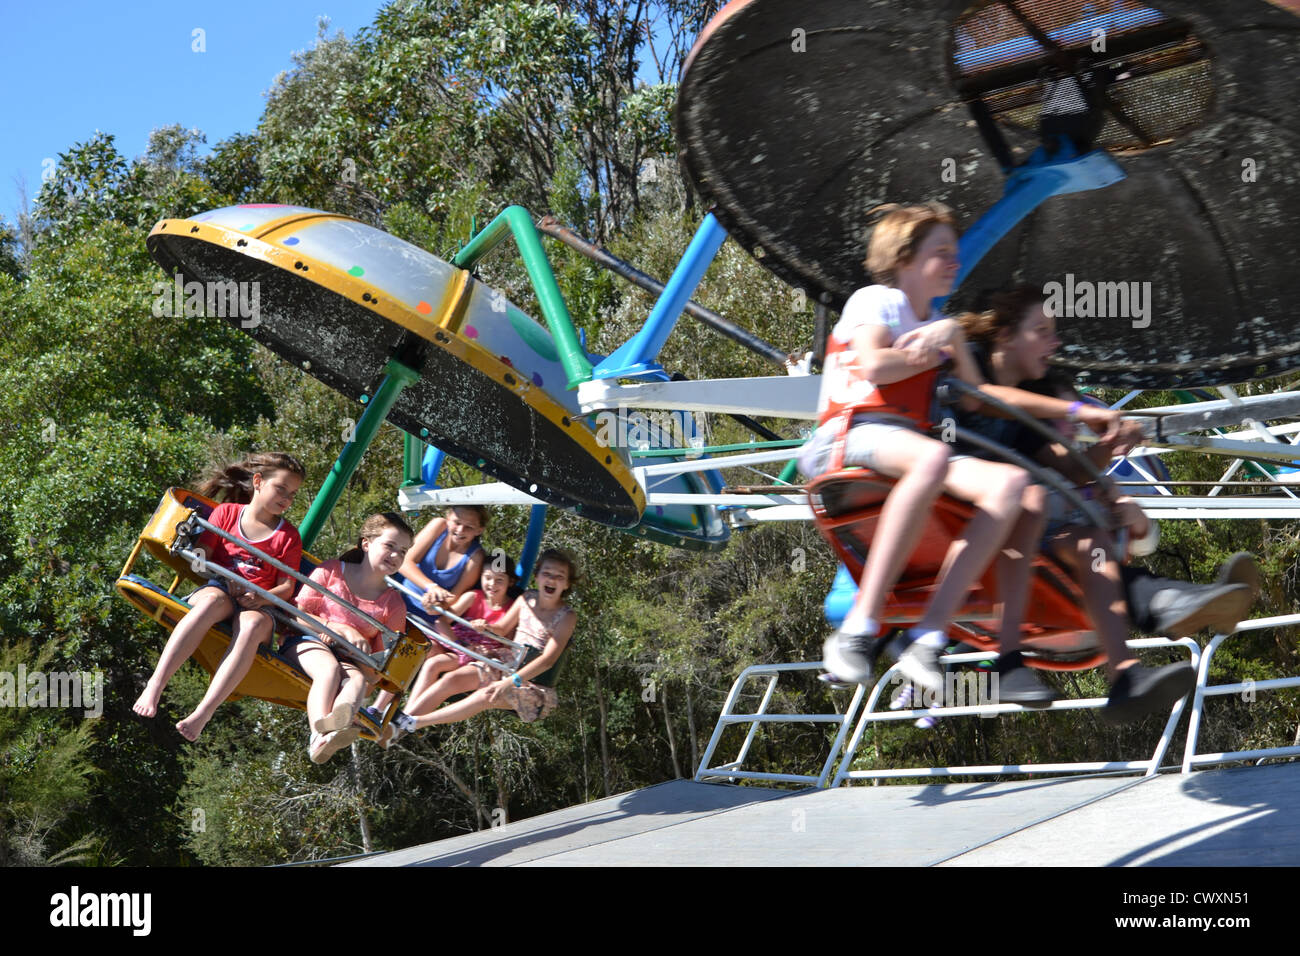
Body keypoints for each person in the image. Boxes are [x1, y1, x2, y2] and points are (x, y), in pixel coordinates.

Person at [798, 202, 1127, 694]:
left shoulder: (936, 320)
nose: (955, 261)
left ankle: (929, 635)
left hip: (902, 445)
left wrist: (1080, 412)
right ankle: (858, 628)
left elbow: (985, 398)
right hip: (850, 435)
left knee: (1011, 484)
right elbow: (875, 368)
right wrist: (933, 342)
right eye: (942, 252)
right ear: (905, 257)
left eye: (954, 252)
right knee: (931, 457)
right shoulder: (876, 301)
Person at [954, 286, 1255, 720]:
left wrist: (1110, 446)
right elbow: (979, 396)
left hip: (1034, 535)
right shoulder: (971, 365)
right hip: (977, 517)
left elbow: (1065, 466)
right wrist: (1080, 413)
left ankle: (1128, 671)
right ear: (1004, 336)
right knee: (1040, 501)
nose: (1054, 343)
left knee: (1091, 541)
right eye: (1042, 330)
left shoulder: (1028, 409)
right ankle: (1170, 604)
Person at [132, 452, 305, 741]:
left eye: (293, 495)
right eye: (281, 489)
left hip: (259, 605)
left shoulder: (288, 536)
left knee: (250, 625)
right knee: (212, 601)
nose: (286, 499)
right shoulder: (226, 514)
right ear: (259, 482)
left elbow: (286, 588)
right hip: (221, 589)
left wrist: (261, 598)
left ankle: (203, 712)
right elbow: (202, 559)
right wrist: (226, 577)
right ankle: (155, 685)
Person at [380, 549, 578, 745]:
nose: (552, 580)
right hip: (505, 664)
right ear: (537, 576)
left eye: (559, 577)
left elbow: (548, 660)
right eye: (547, 574)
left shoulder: (566, 616)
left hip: (531, 682)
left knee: (487, 695)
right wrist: (486, 627)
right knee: (452, 679)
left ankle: (413, 722)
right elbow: (502, 627)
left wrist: (511, 681)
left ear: (567, 584)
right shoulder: (526, 599)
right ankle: (397, 724)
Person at [284, 513, 412, 763]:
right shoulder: (331, 571)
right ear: (366, 544)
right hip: (307, 641)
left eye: (403, 551)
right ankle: (318, 735)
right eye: (389, 546)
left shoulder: (393, 604)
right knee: (329, 671)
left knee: (355, 682)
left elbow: (376, 668)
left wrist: (359, 655)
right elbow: (299, 614)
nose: (396, 556)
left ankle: (335, 725)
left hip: (348, 661)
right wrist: (342, 630)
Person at [370, 506, 489, 716]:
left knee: (419, 648)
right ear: (447, 517)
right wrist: (430, 587)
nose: (460, 530)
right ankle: (363, 691)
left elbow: (455, 598)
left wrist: (438, 602)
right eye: (457, 522)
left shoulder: (475, 557)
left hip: (425, 618)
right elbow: (405, 561)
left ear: (479, 530)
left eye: (469, 527)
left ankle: (383, 709)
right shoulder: (438, 526)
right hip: (397, 599)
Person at [395, 557, 520, 719]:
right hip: (461, 649)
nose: (492, 584)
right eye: (487, 578)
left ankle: (407, 719)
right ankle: (406, 714)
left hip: (482, 657)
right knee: (432, 663)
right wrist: (459, 645)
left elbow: (506, 638)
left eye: (499, 580)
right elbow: (443, 620)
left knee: (447, 675)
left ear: (510, 582)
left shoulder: (511, 608)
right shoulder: (473, 597)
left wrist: (487, 641)